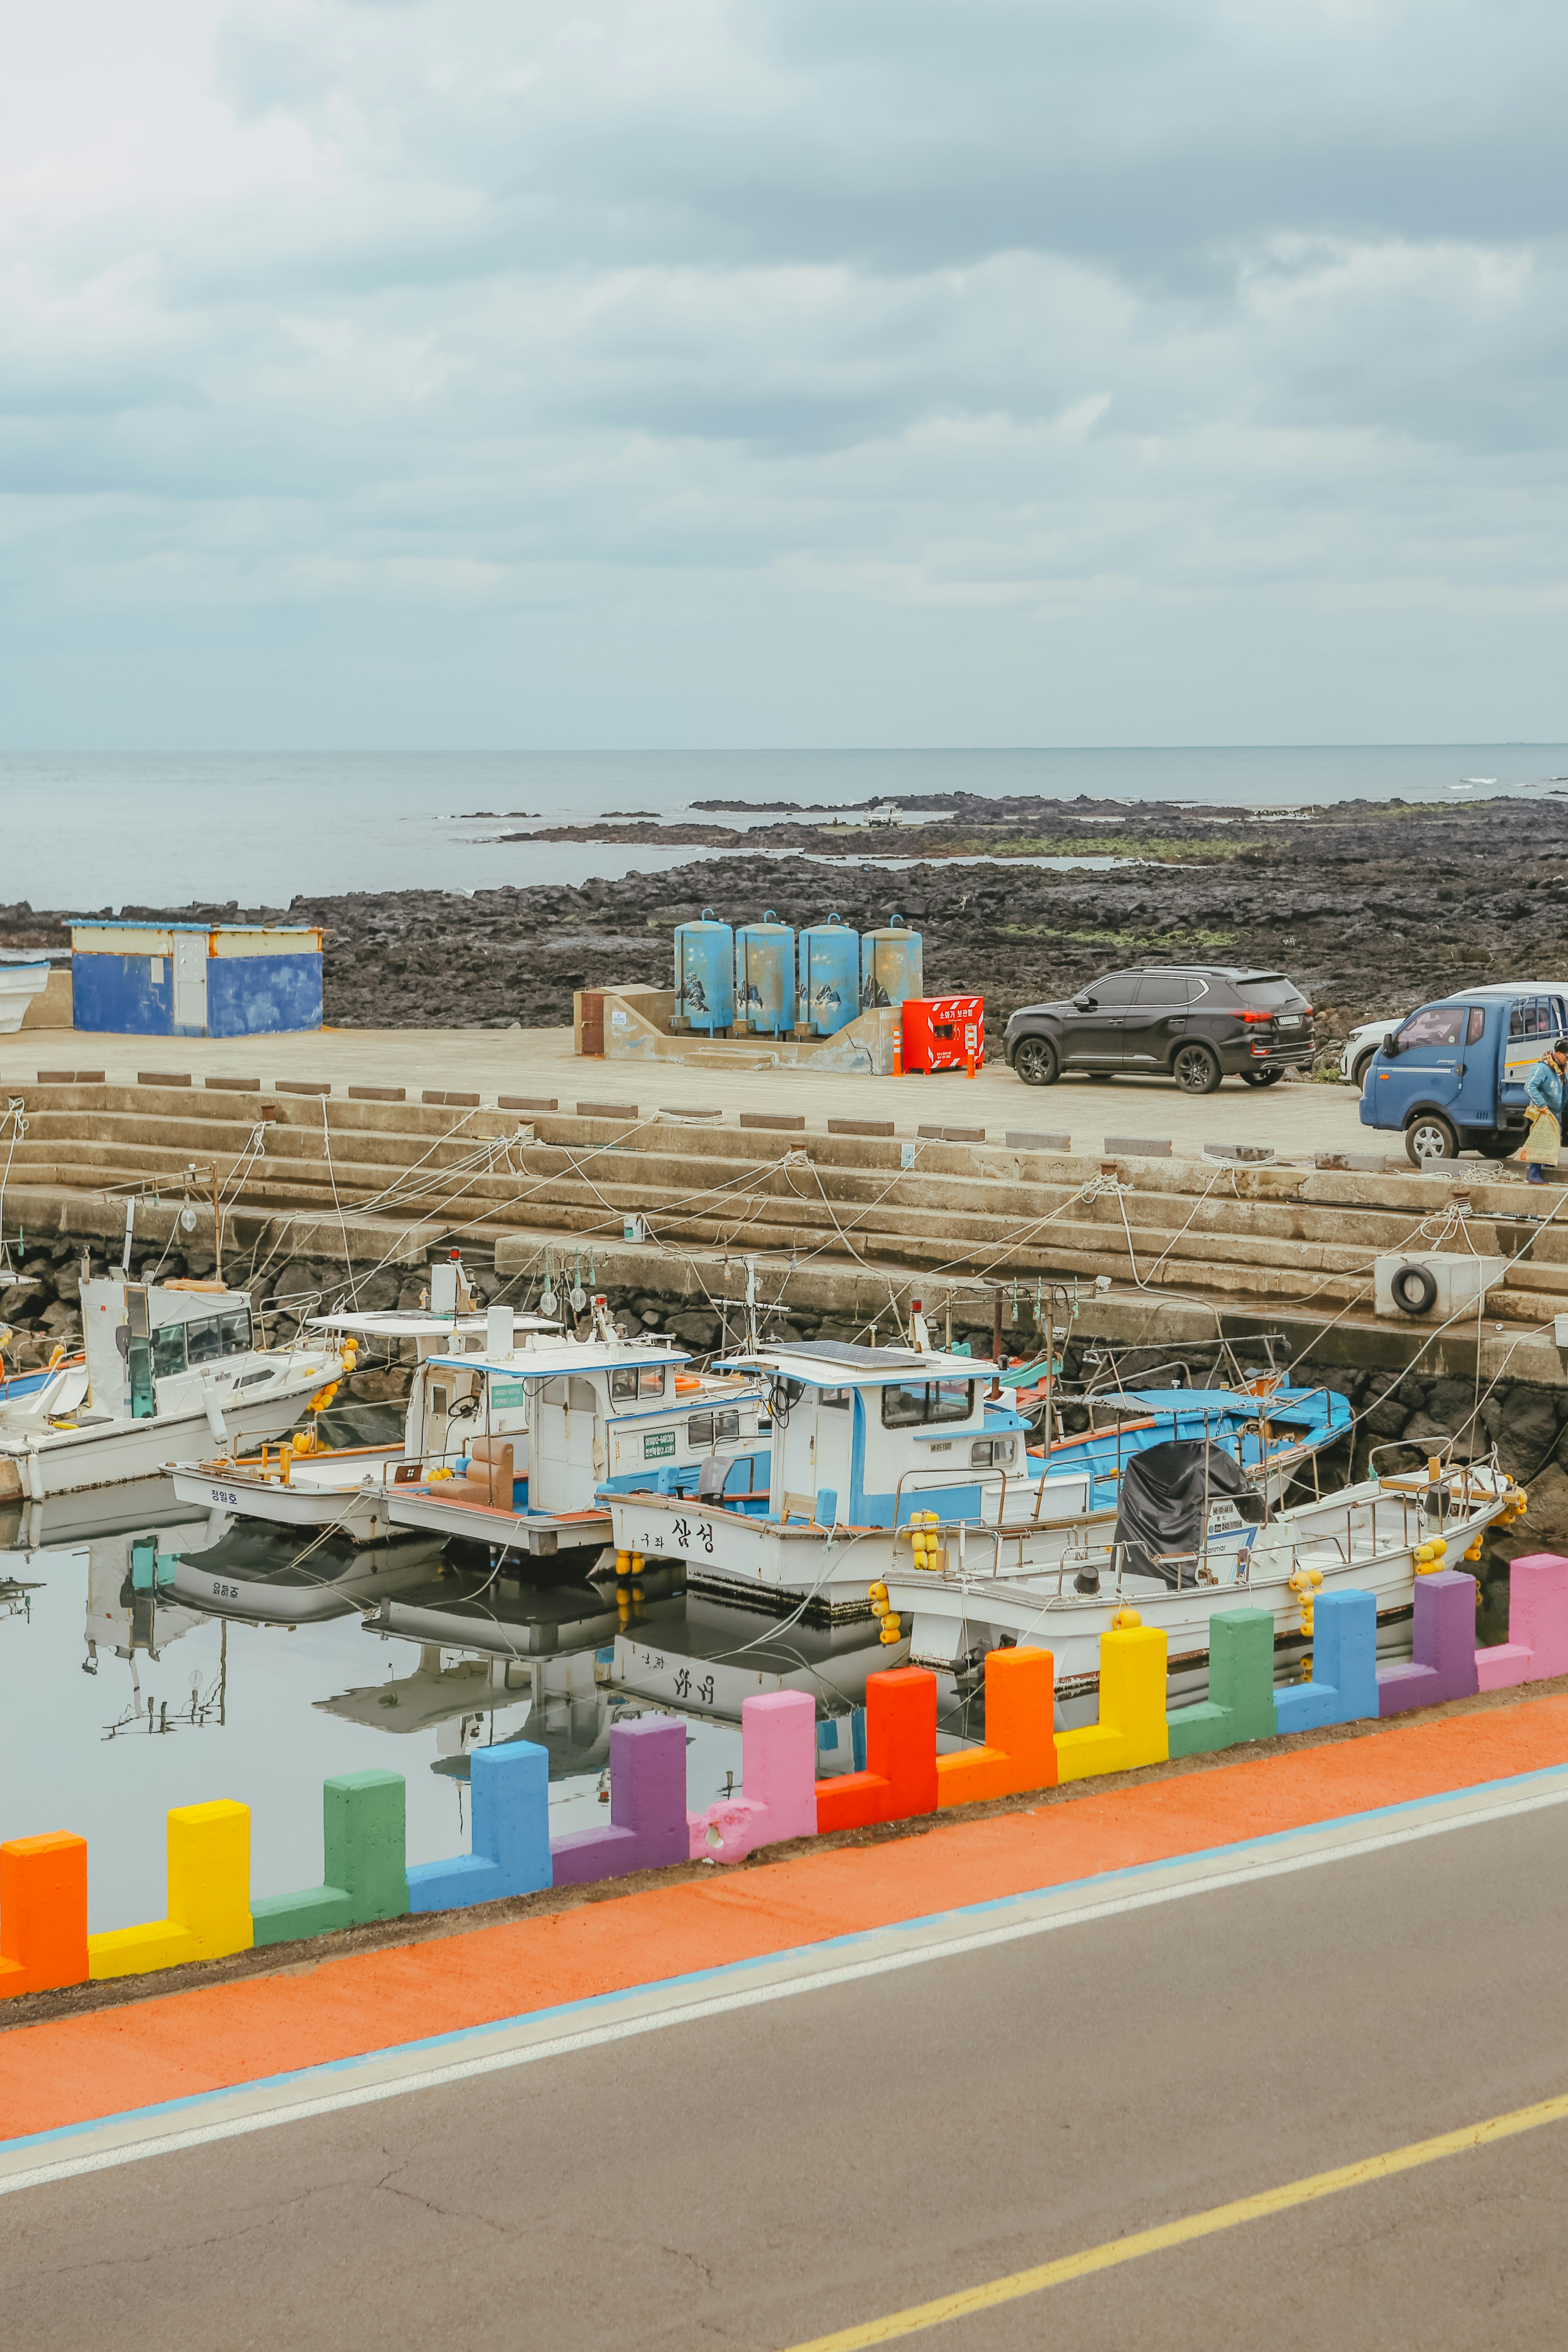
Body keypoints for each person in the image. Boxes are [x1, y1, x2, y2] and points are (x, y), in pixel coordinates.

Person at [1523, 1036, 1568, 1185]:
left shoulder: (1562, 1069)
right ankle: (1534, 1175)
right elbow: (1529, 1086)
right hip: (1543, 1112)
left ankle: (1549, 1170)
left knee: (1554, 1142)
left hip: (1556, 1111)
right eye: (1567, 1056)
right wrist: (1542, 1105)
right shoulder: (1543, 1068)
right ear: (1560, 1054)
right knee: (1540, 1142)